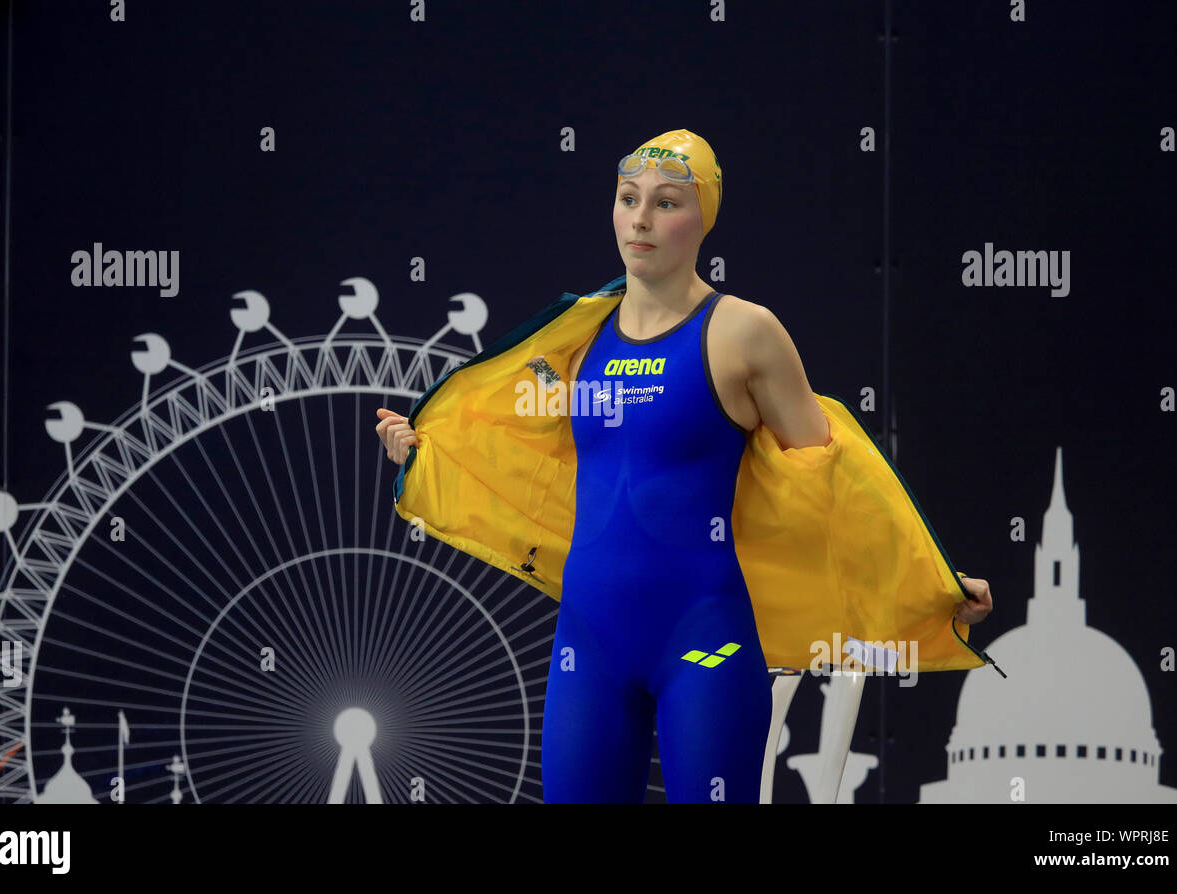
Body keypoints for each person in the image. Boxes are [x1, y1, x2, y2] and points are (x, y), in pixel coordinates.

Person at [377, 129, 993, 803]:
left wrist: (929, 576)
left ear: (705, 221)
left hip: (705, 647)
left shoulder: (745, 333)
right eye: (627, 198)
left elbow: (833, 482)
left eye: (667, 202)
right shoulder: (579, 336)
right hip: (589, 648)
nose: (640, 218)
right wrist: (425, 450)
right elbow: (525, 454)